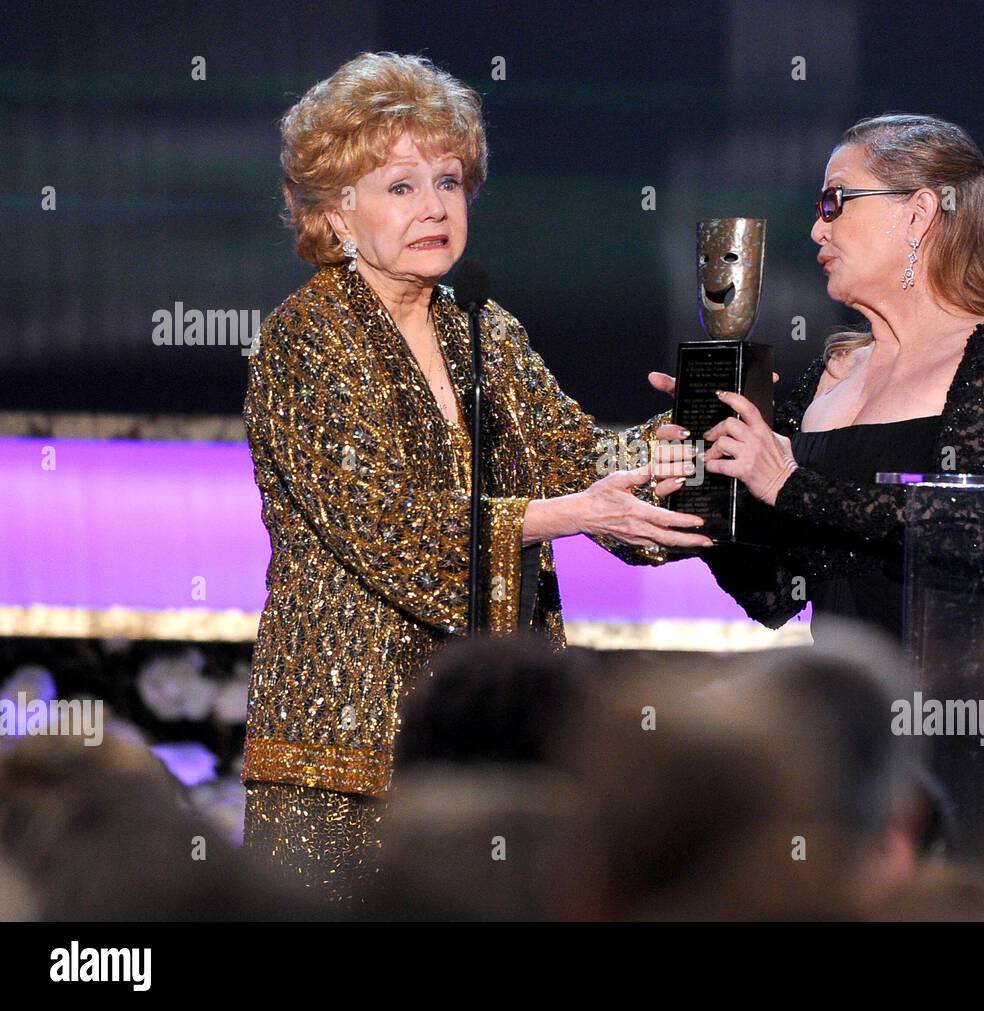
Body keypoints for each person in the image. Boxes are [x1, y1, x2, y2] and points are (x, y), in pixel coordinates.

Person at [240, 52, 710, 906]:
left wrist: (692, 439)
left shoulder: (483, 326)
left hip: (494, 755)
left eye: (448, 181)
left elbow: (579, 462)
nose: (434, 206)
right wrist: (561, 512)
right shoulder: (304, 340)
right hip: (344, 754)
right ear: (338, 212)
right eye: (401, 186)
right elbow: (389, 526)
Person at [654, 114, 984, 915]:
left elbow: (967, 525)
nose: (818, 226)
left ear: (920, 212)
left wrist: (788, 484)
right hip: (854, 730)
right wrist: (707, 495)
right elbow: (778, 591)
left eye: (835, 201)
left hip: (981, 719)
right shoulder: (833, 372)